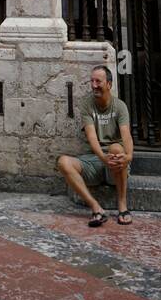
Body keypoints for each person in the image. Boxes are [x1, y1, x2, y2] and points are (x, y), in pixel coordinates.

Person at [56, 65, 134, 227]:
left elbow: (126, 136)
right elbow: (92, 138)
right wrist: (102, 158)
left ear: (109, 84)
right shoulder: (87, 105)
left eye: (98, 81)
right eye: (92, 81)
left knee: (116, 148)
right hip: (96, 159)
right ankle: (96, 208)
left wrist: (129, 157)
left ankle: (122, 205)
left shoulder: (120, 106)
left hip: (116, 164)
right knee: (63, 162)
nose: (94, 85)